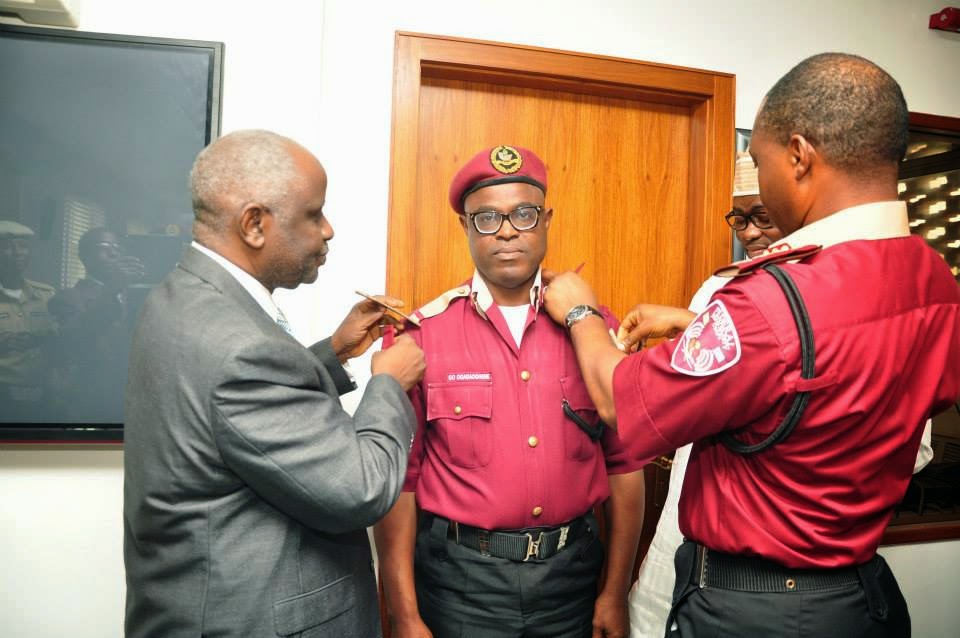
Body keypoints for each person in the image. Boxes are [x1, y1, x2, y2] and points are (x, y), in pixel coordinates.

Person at [542, 53, 960, 637]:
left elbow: (620, 399)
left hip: (759, 610)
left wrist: (580, 311)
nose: (760, 183)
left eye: (760, 162)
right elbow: (830, 379)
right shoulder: (934, 279)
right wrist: (698, 323)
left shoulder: (772, 300)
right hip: (856, 598)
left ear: (798, 156)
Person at [123, 129, 426, 638]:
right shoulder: (241, 345)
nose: (327, 230)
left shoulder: (183, 298)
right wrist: (388, 385)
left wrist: (333, 352)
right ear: (255, 224)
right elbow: (361, 489)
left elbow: (236, 410)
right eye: (313, 214)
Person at [626, 152, 939, 637]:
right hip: (690, 550)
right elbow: (726, 382)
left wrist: (582, 316)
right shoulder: (719, 289)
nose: (749, 232)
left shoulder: (863, 295)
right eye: (739, 218)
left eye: (762, 216)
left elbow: (906, 443)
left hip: (793, 577)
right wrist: (696, 326)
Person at [374, 145, 646, 638]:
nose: (505, 230)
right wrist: (405, 614)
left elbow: (625, 466)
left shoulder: (593, 329)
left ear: (546, 220)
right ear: (464, 226)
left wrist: (614, 592)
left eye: (523, 214)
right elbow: (400, 486)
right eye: (486, 218)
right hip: (461, 586)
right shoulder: (420, 336)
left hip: (574, 581)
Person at [48, 227, 145, 420]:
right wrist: (112, 288)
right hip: (91, 397)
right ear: (85, 256)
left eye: (117, 247)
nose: (114, 253)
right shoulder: (67, 298)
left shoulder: (134, 295)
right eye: (104, 247)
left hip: (133, 396)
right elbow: (77, 335)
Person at [0, 220, 57, 421]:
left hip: (46, 395)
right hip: (3, 396)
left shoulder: (47, 295)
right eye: (7, 247)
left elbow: (63, 340)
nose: (18, 253)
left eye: (23, 246)